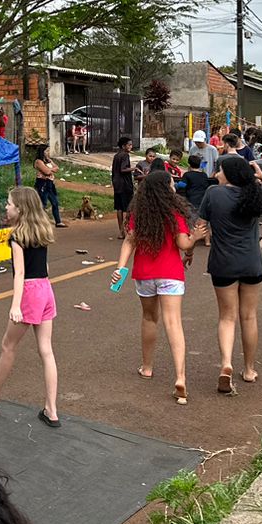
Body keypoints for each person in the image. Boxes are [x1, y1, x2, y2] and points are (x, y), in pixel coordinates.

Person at [0, 186, 61, 427]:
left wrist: (16, 305)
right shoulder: (42, 230)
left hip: (30, 292)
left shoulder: (17, 235)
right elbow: (45, 268)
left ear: (20, 209)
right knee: (46, 350)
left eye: (9, 204)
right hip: (45, 289)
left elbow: (19, 273)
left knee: (8, 345)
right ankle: (52, 409)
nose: (6, 207)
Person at [196, 157, 262, 395]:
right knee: (249, 317)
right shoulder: (255, 196)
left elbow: (201, 226)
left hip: (223, 263)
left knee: (227, 317)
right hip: (251, 262)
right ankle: (249, 369)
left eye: (220, 170)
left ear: (230, 174)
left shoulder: (213, 194)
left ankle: (226, 364)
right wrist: (261, 176)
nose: (217, 174)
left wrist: (188, 250)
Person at [112, 170, 194, 405]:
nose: (174, 187)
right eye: (172, 183)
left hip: (145, 273)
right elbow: (182, 243)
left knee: (149, 318)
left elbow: (130, 240)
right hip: (170, 273)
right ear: (165, 188)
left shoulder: (139, 213)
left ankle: (147, 367)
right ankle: (180, 377)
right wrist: (195, 239)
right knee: (173, 323)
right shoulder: (175, 212)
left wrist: (120, 267)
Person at [31, 144, 65, 228]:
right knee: (43, 203)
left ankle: (58, 221)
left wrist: (51, 169)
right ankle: (39, 222)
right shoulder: (38, 161)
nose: (48, 152)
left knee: (55, 202)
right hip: (42, 183)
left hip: (50, 183)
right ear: (42, 152)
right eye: (46, 151)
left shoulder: (48, 160)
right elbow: (47, 172)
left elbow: (57, 168)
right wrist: (51, 170)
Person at [110, 136, 135, 239]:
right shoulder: (125, 155)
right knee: (129, 208)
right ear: (123, 146)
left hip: (117, 184)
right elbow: (123, 169)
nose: (130, 147)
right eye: (129, 145)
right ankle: (128, 230)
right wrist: (134, 168)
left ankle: (121, 231)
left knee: (119, 208)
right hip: (125, 185)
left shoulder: (116, 156)